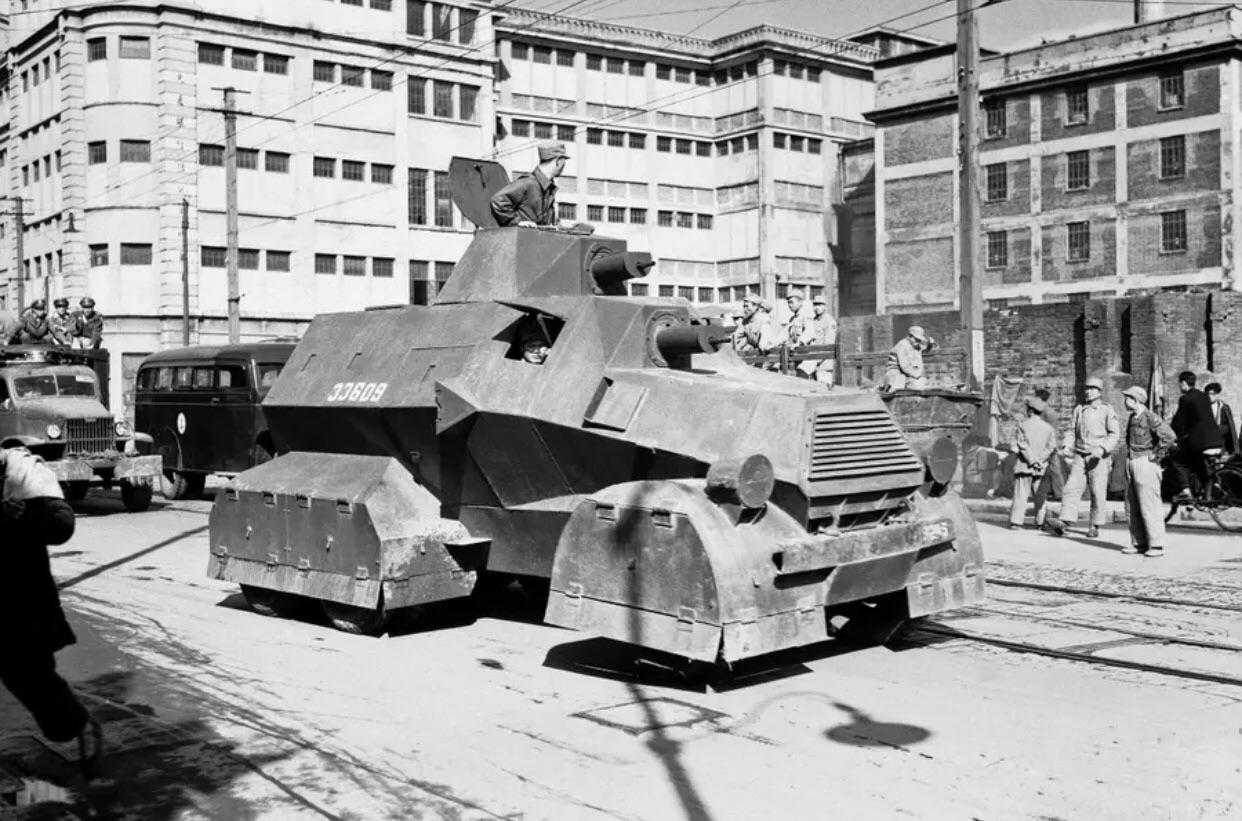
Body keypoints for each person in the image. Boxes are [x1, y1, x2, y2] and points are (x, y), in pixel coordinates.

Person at [0, 447, 103, 773]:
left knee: (29, 676)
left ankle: (80, 725)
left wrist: (21, 516)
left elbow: (62, 524)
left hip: (20, 601)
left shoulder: (21, 468)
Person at [1046, 376, 1119, 538]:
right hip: (1080, 455)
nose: (1088, 392)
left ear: (1099, 392)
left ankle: (1094, 525)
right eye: (1087, 389)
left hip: (1098, 458)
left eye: (1092, 389)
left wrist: (1102, 448)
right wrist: (1067, 445)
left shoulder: (1106, 410)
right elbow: (1071, 430)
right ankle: (1065, 521)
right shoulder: (1079, 410)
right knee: (1071, 488)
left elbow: (1114, 435)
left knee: (1097, 492)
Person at [1119, 386, 1175, 557]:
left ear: (1135, 400)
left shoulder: (1150, 417)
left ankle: (1156, 544)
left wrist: (1157, 454)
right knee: (1132, 504)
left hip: (1145, 462)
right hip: (1132, 460)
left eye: (1127, 398)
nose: (1125, 401)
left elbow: (1169, 436)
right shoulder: (1132, 417)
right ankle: (1139, 542)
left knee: (1149, 504)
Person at [1169, 370, 1223, 500]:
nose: (1179, 387)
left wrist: (1172, 433)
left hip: (1201, 441)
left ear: (1183, 383)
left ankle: (1185, 491)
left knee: (1177, 459)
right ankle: (1213, 485)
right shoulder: (1204, 396)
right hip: (1216, 440)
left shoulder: (1185, 399)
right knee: (1198, 463)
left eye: (1179, 384)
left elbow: (1179, 422)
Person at [489, 140, 568, 228]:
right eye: (564, 160)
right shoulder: (528, 183)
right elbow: (498, 200)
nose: (564, 165)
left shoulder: (547, 188)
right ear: (558, 161)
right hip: (523, 236)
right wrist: (516, 222)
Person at [1008, 396, 1057, 530]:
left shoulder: (1023, 425)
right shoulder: (1048, 428)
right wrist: (1039, 460)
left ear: (1030, 411)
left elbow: (1022, 445)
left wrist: (1032, 460)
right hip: (1041, 467)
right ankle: (1040, 522)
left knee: (1020, 494)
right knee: (1040, 495)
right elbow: (1051, 447)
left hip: (1024, 465)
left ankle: (1016, 522)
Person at [1031, 387, 1066, 524]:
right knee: (1053, 469)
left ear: (1040, 399)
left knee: (1054, 469)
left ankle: (1059, 493)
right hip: (1045, 444)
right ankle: (1057, 492)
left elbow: (1049, 431)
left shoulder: (1048, 413)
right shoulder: (1044, 411)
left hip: (1047, 445)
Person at [795, 293, 837, 385]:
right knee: (801, 373)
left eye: (820, 305)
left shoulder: (829, 321)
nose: (817, 308)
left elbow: (828, 345)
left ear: (825, 307)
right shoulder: (813, 321)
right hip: (812, 357)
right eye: (815, 305)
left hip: (824, 361)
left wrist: (815, 359)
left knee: (825, 388)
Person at [884, 325, 938, 390]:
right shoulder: (902, 346)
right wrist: (917, 376)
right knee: (901, 384)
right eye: (916, 339)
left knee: (921, 384)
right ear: (910, 336)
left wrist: (930, 344)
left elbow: (925, 349)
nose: (918, 342)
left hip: (907, 373)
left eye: (919, 340)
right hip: (896, 372)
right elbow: (905, 366)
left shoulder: (914, 345)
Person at [1205, 382, 1238, 456]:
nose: (1210, 396)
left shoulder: (1224, 408)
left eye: (1212, 394)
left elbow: (1231, 428)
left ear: (1217, 394)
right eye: (1208, 394)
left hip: (1221, 446)